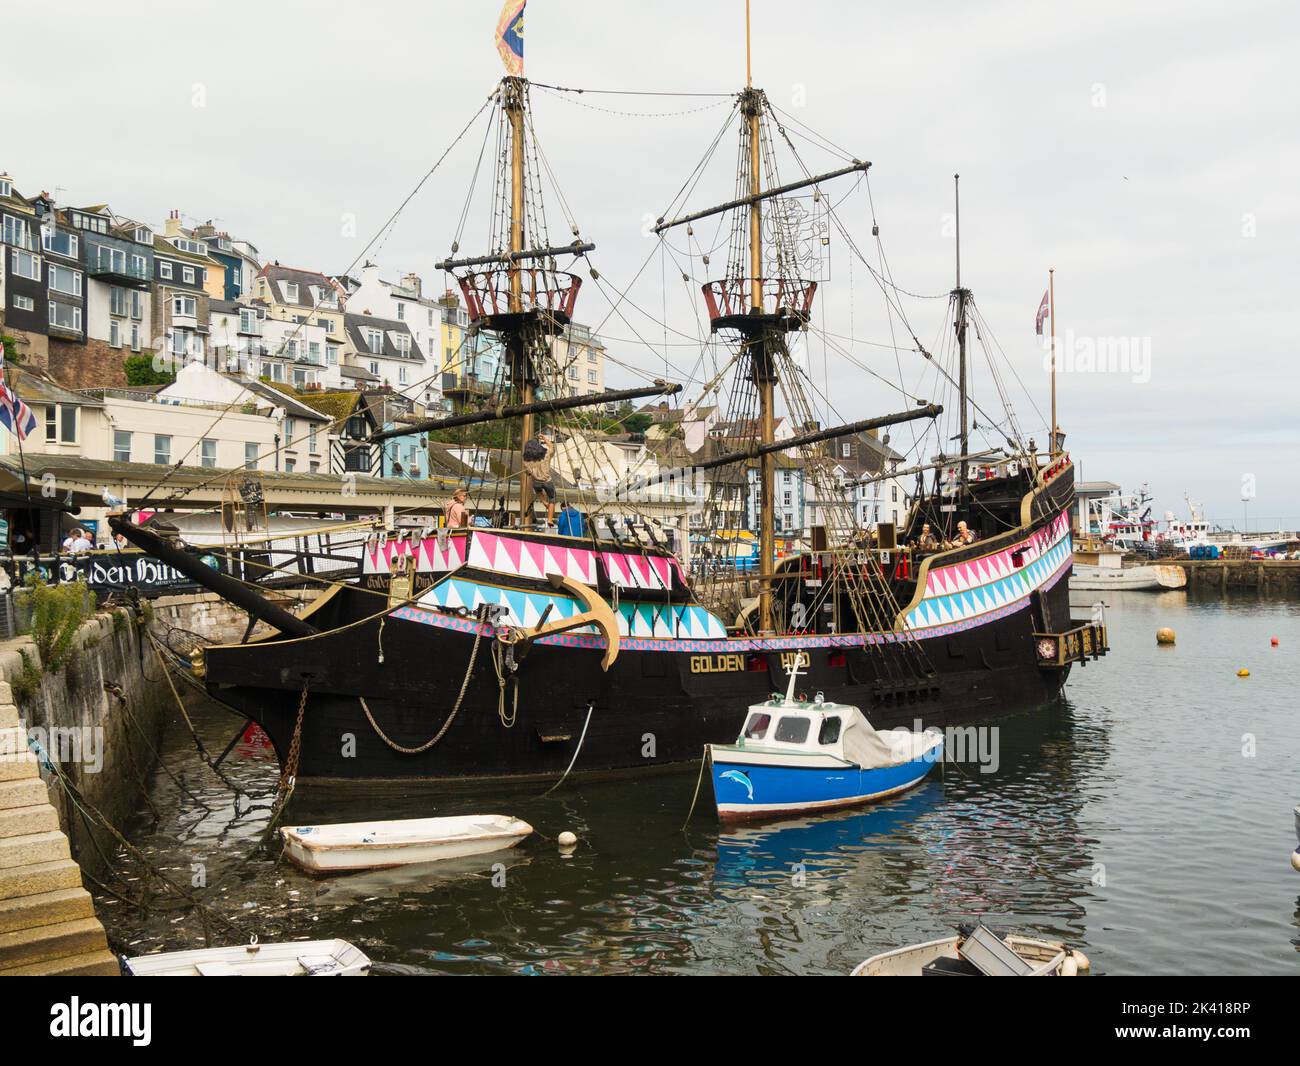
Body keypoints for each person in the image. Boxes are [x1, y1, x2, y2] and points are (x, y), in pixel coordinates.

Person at [522, 429, 557, 526]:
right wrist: (544, 438)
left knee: (538, 492)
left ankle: (545, 503)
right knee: (552, 499)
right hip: (547, 481)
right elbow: (551, 446)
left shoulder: (526, 460)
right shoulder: (545, 454)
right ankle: (549, 520)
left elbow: (528, 473)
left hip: (536, 482)